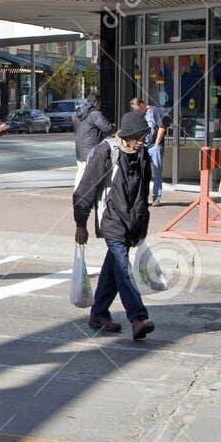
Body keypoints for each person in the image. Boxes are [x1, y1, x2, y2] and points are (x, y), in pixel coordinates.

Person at [73, 111, 155, 341]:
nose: (141, 142)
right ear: (127, 135)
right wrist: (81, 223)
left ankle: (98, 314)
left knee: (113, 268)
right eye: (138, 137)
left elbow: (142, 193)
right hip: (112, 219)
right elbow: (85, 190)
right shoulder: (106, 152)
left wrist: (142, 225)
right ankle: (138, 317)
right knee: (123, 268)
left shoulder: (143, 155)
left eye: (144, 137)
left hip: (132, 222)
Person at [72, 91, 114, 187]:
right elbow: (107, 128)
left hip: (79, 148)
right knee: (92, 173)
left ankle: (78, 194)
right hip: (92, 148)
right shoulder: (95, 114)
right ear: (96, 102)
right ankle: (89, 196)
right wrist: (112, 127)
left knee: (81, 171)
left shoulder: (76, 114)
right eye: (99, 103)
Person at [131, 95, 167, 204]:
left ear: (142, 105)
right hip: (144, 146)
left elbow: (162, 127)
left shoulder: (155, 111)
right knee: (143, 172)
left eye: (138, 109)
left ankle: (156, 197)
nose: (138, 112)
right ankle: (143, 196)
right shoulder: (140, 115)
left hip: (155, 146)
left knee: (157, 172)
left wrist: (156, 144)